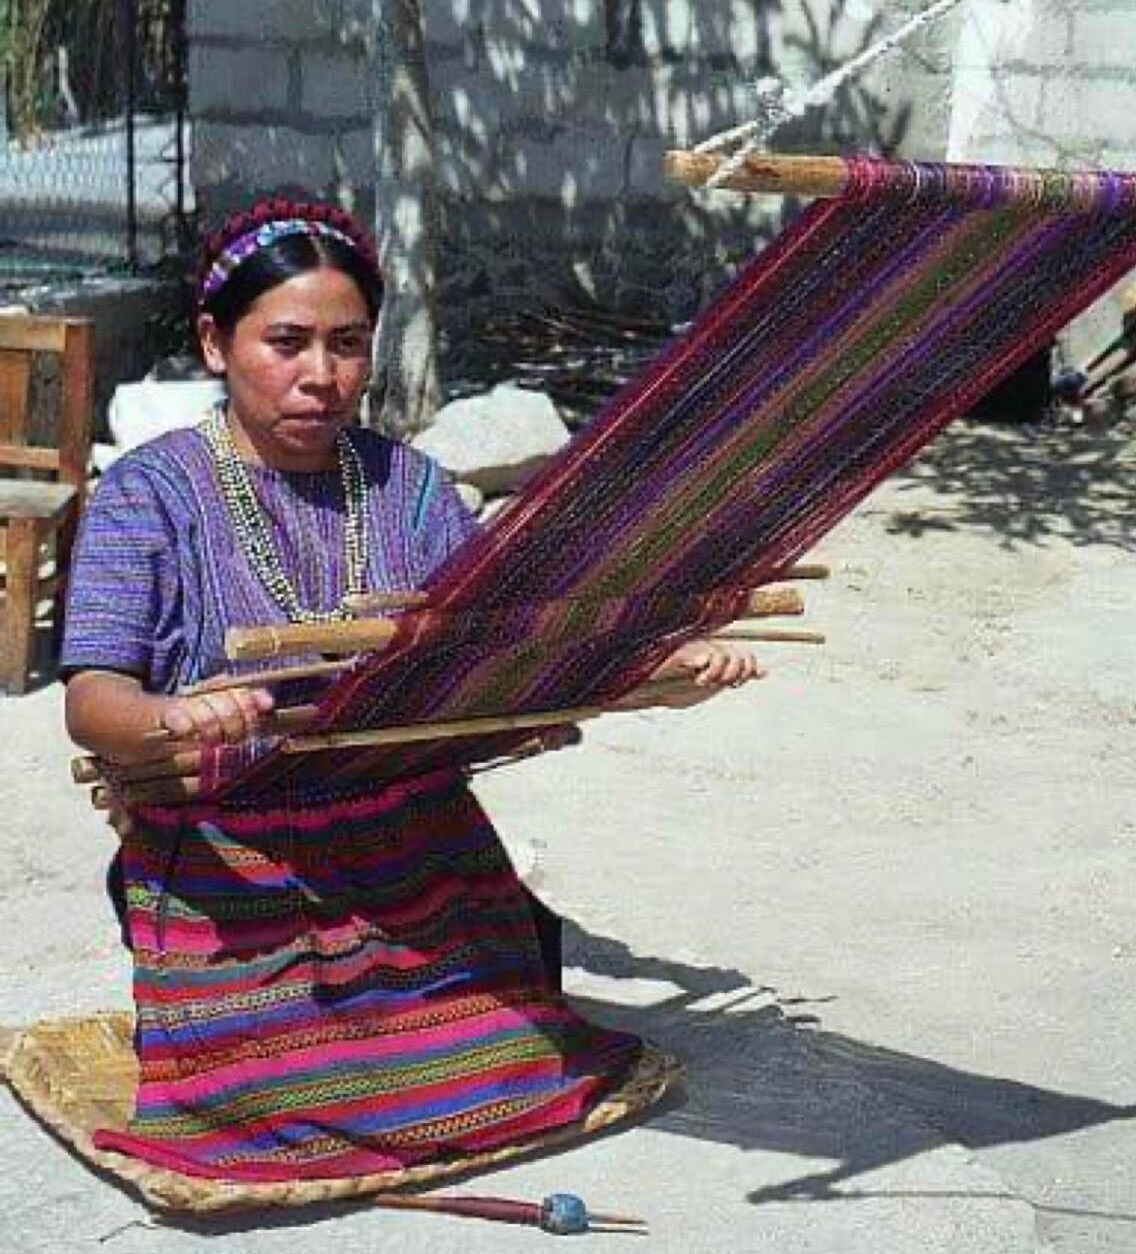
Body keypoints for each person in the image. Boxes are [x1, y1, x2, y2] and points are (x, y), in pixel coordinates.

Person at [62, 197, 762, 1183]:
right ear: (216, 343)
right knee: (274, 1102)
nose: (321, 374)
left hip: (413, 834)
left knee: (509, 1066)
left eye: (348, 344)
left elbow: (504, 651)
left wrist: (649, 670)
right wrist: (173, 714)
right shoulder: (146, 493)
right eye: (288, 341)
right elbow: (93, 697)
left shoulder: (411, 487)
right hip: (234, 848)